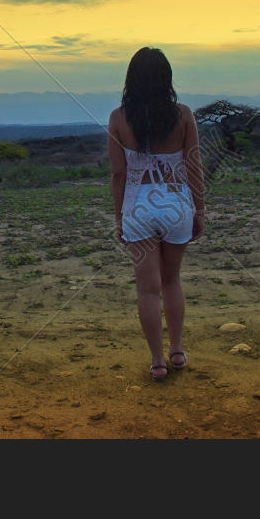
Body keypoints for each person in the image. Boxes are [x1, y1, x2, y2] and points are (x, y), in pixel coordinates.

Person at [107, 47, 205, 382]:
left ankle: (157, 361)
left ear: (131, 79)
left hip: (138, 206)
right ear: (167, 78)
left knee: (147, 289)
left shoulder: (118, 118)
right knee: (171, 280)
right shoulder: (184, 114)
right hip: (177, 203)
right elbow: (194, 167)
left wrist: (119, 217)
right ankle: (177, 349)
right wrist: (200, 209)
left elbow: (118, 174)